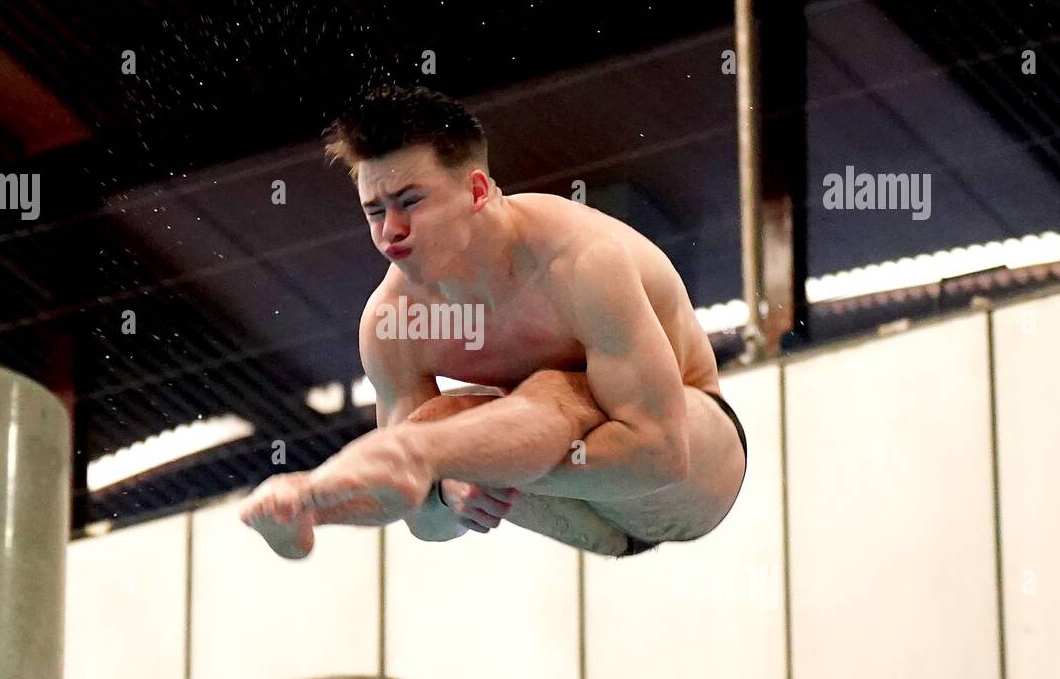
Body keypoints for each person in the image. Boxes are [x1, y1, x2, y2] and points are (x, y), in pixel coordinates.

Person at [240, 84, 747, 560]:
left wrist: (480, 457)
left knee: (542, 395)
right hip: (587, 520)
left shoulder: (580, 262)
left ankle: (392, 463)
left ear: (478, 190)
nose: (391, 232)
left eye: (410, 202)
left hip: (692, 474)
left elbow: (659, 454)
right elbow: (424, 522)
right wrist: (450, 495)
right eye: (374, 211)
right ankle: (307, 506)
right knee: (439, 425)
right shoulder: (393, 321)